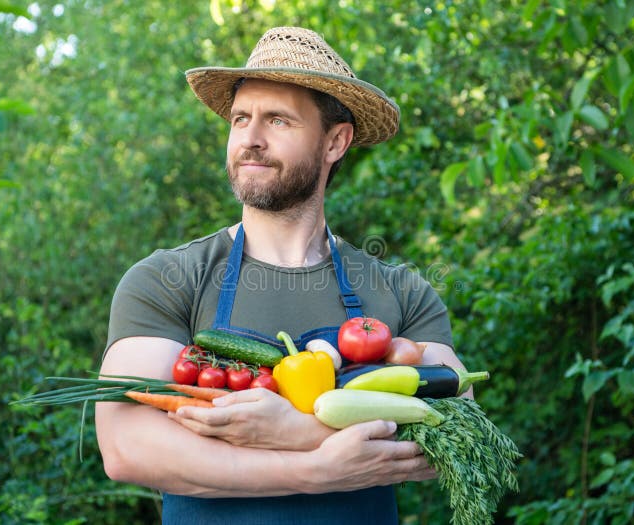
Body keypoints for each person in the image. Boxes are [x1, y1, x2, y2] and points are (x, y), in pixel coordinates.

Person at [96, 26, 472, 525]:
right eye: (240, 118)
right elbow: (128, 447)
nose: (250, 139)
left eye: (277, 120)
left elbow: (462, 430)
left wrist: (296, 430)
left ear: (336, 141)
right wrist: (311, 469)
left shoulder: (401, 292)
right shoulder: (167, 279)